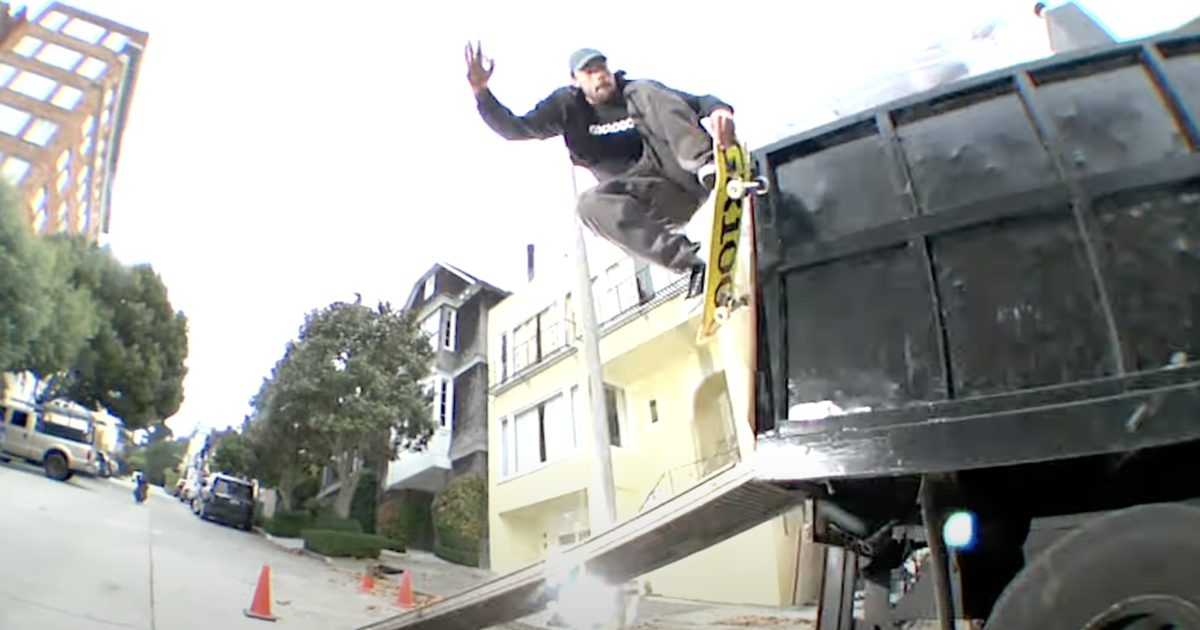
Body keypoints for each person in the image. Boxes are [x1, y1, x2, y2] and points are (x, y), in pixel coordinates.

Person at [464, 42, 738, 302]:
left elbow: (700, 102)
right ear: (575, 80)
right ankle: (691, 265)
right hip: (651, 199)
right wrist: (481, 92)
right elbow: (515, 129)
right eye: (590, 72)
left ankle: (709, 166)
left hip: (685, 172)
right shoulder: (566, 107)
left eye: (603, 69)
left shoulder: (637, 92)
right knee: (587, 204)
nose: (601, 77)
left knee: (643, 89)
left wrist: (721, 111)